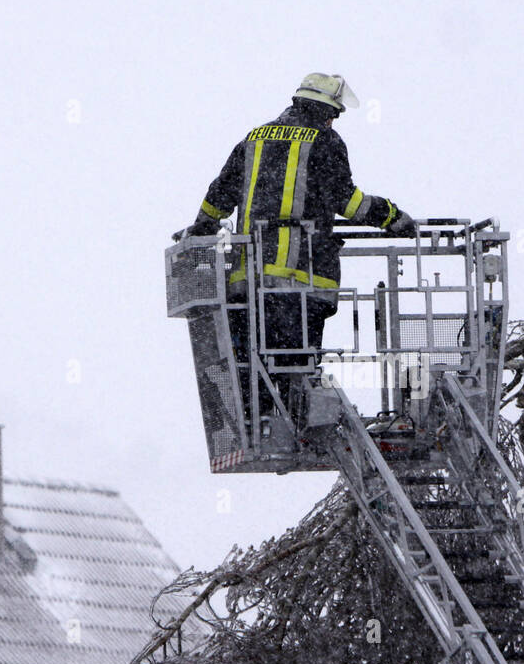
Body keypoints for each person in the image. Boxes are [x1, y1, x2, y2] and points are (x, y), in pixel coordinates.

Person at [175, 73, 416, 426]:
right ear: (324, 109)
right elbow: (347, 202)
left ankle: (256, 422)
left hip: (248, 281)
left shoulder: (255, 137)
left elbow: (218, 194)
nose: (335, 120)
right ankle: (294, 423)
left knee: (252, 361)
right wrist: (393, 217)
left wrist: (201, 229)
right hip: (300, 280)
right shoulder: (325, 141)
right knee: (295, 364)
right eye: (335, 113)